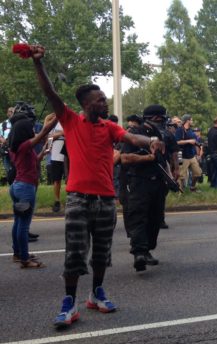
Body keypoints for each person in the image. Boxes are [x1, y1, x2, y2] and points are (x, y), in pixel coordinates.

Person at [28, 44, 164, 328]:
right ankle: (69, 302)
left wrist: (149, 141)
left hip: (106, 199)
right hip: (78, 198)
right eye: (101, 100)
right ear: (88, 104)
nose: (105, 102)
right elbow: (50, 93)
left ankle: (96, 293)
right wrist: (38, 64)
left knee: (102, 251)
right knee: (75, 252)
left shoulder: (108, 127)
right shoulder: (71, 121)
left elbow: (131, 137)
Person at [121, 105, 172, 272]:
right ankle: (139, 253)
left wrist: (170, 177)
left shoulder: (159, 135)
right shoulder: (134, 134)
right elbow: (125, 158)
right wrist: (148, 158)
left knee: (155, 218)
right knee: (138, 218)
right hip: (139, 182)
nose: (164, 121)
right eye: (162, 118)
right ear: (156, 118)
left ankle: (147, 250)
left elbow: (164, 159)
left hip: (157, 183)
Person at [8, 112, 57, 267]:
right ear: (24, 131)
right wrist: (59, 116)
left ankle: (18, 254)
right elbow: (44, 132)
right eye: (29, 128)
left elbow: (34, 161)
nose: (32, 130)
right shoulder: (24, 145)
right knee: (23, 225)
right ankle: (25, 259)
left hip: (17, 186)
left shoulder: (17, 147)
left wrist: (43, 151)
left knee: (18, 222)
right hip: (25, 187)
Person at [175, 114, 202, 192]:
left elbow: (195, 142)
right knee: (181, 176)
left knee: (198, 173)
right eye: (191, 120)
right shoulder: (179, 130)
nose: (192, 121)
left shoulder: (191, 130)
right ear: (187, 121)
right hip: (182, 156)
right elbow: (177, 142)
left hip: (192, 156)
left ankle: (192, 188)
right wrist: (189, 141)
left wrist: (198, 152)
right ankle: (180, 192)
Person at [48, 122, 66, 212]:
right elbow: (49, 137)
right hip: (56, 155)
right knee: (56, 180)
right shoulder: (54, 124)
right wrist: (61, 133)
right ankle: (57, 201)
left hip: (69, 156)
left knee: (70, 179)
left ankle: (71, 200)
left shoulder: (69, 121)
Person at [1, 107, 14, 178]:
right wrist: (4, 141)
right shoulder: (3, 124)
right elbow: (0, 135)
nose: (11, 113)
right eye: (10, 111)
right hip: (5, 148)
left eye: (12, 111)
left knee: (16, 166)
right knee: (7, 167)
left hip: (14, 147)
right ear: (7, 113)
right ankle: (10, 182)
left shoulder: (17, 123)